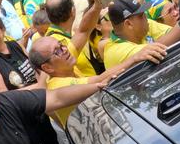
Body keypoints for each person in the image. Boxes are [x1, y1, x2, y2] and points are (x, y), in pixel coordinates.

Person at [29, 36, 166, 127]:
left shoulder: (68, 68)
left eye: (62, 45)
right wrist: (135, 58)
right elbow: (101, 81)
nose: (65, 50)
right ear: (47, 67)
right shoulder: (58, 85)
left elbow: (83, 31)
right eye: (57, 51)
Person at [103, 0, 180, 69]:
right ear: (128, 24)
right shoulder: (114, 52)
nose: (146, 18)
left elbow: (173, 35)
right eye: (141, 16)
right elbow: (156, 49)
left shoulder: (146, 25)